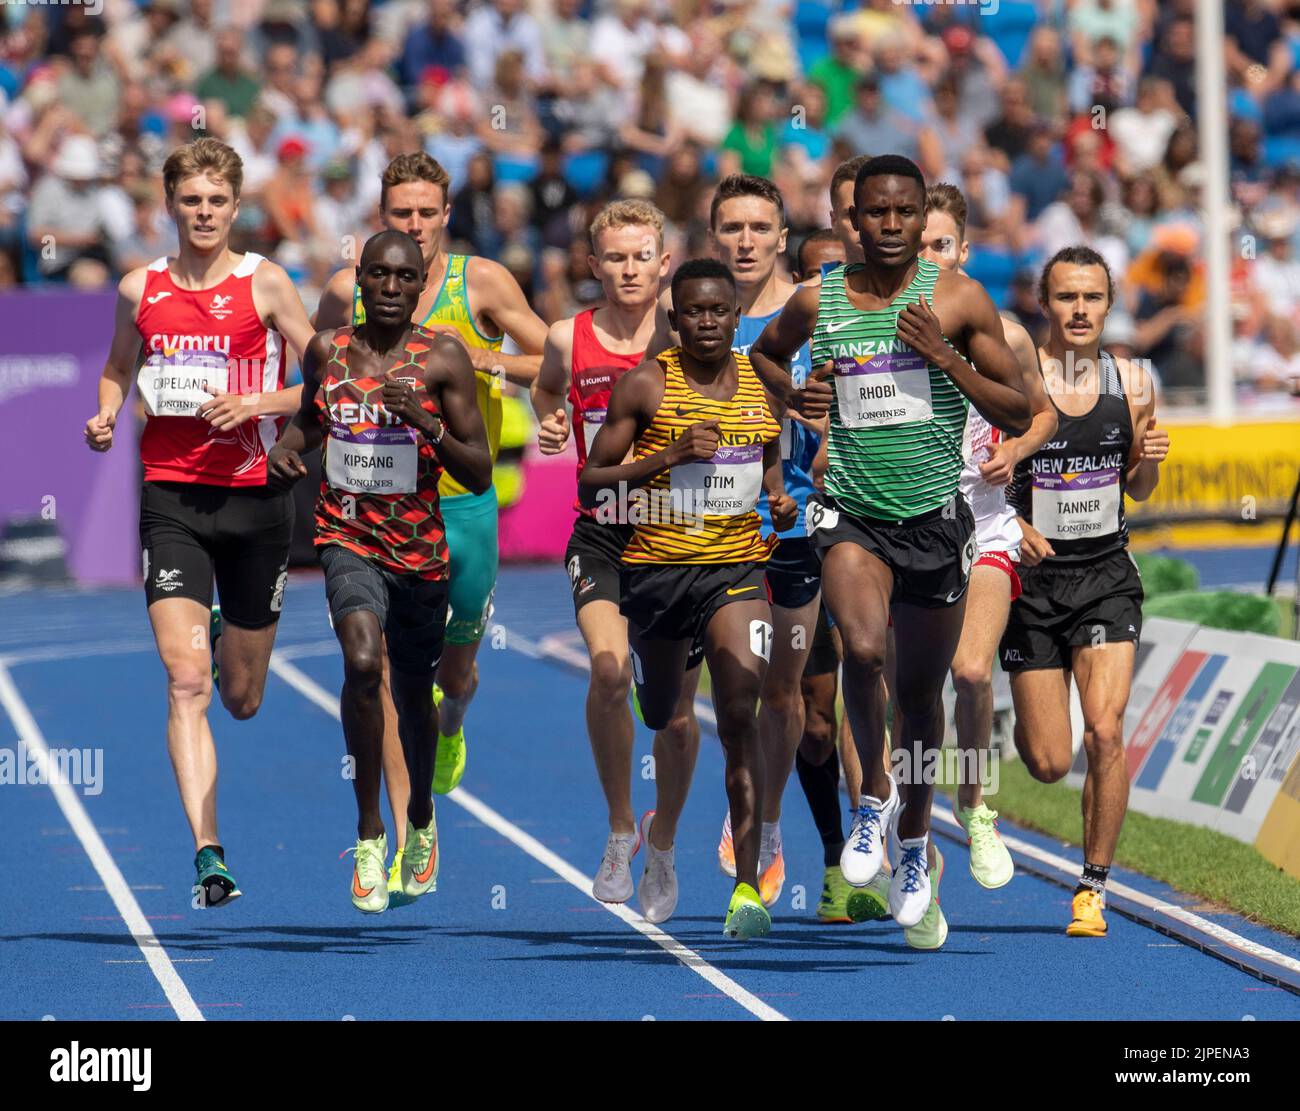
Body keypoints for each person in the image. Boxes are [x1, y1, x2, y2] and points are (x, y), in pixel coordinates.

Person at [750, 154, 1030, 937]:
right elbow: (764, 352)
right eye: (875, 212)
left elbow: (1019, 406)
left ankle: (914, 838)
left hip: (936, 522)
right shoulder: (823, 297)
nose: (892, 225)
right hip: (853, 515)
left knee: (918, 698)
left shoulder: (959, 297)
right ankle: (870, 798)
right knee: (863, 654)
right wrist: (797, 395)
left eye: (906, 212)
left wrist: (944, 356)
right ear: (853, 220)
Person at [83, 138, 317, 907]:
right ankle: (208, 850)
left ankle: (227, 633)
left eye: (217, 200)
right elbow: (120, 365)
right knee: (187, 681)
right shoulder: (139, 287)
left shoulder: (267, 284)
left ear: (236, 206)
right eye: (192, 200)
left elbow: (328, 377)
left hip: (255, 501)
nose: (205, 212)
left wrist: (259, 405)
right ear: (170, 204)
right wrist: (109, 412)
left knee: (241, 697)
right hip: (173, 497)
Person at [315, 152, 547, 889]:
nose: (413, 226)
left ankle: (450, 725)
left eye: (425, 213)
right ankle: (407, 821)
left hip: (461, 498)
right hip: (373, 510)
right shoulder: (346, 290)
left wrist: (484, 358)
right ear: (382, 218)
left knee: (455, 668)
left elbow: (552, 357)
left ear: (446, 214)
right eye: (399, 214)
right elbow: (313, 375)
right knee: (373, 664)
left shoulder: (480, 281)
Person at [268, 230, 490, 912]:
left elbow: (478, 468)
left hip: (419, 551)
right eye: (379, 275)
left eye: (404, 277)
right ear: (358, 278)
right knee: (364, 663)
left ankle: (418, 815)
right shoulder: (328, 350)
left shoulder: (443, 356)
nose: (391, 287)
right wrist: (286, 446)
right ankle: (369, 830)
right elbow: (310, 421)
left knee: (415, 702)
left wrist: (425, 422)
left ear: (421, 284)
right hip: (347, 539)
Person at [580, 259, 796, 939]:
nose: (707, 322)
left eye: (719, 311)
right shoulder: (648, 383)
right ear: (676, 319)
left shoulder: (761, 379)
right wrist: (664, 456)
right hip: (658, 574)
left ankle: (745, 888)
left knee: (739, 710)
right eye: (694, 312)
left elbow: (765, 458)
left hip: (735, 570)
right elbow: (591, 486)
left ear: (737, 316)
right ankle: (659, 836)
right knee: (662, 716)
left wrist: (778, 496)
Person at [897, 182, 1060, 945]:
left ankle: (977, 806)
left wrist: (1018, 454)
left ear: (962, 250)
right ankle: (917, 855)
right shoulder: (883, 325)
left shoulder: (1005, 331)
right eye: (916, 244)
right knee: (913, 701)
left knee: (970, 672)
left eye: (939, 245)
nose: (927, 257)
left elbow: (1041, 410)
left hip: (987, 525)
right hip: (906, 531)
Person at [529, 199, 701, 918]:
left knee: (677, 716)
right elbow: (543, 386)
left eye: (642, 257)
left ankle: (662, 839)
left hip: (678, 539)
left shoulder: (688, 332)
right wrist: (550, 414)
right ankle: (621, 826)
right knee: (607, 670)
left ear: (664, 263)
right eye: (615, 258)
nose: (629, 270)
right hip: (601, 532)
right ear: (593, 264)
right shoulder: (570, 338)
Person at [1001, 245, 1169, 938]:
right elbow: (974, 471)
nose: (1079, 310)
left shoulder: (1131, 382)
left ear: (1109, 303)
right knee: (1047, 761)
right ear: (1045, 303)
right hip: (1031, 584)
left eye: (1092, 298)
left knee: (1105, 729)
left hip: (1106, 579)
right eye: (1066, 297)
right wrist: (1015, 524)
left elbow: (1138, 488)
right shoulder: (1017, 381)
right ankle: (1026, 726)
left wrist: (1147, 464)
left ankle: (1093, 887)